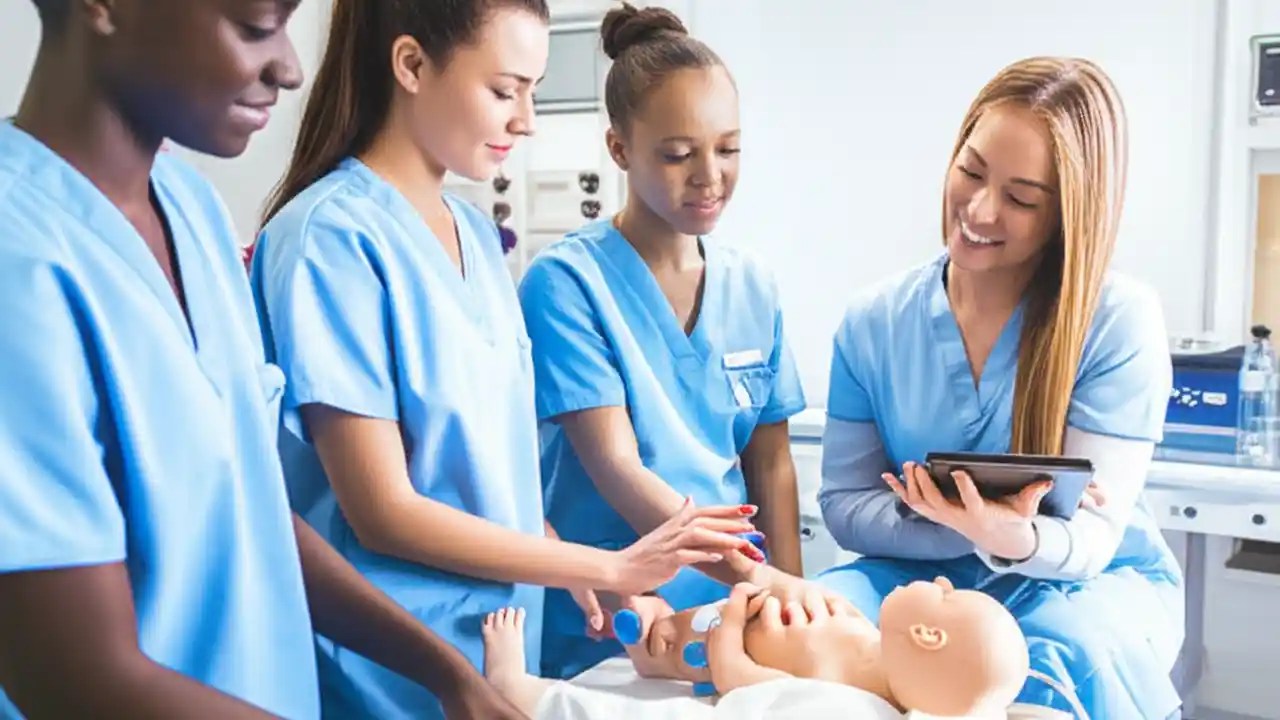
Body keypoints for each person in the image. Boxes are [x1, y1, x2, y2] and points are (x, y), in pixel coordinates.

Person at [0, 1, 527, 718]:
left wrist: (447, 676)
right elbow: (75, 677)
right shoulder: (20, 262)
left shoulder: (194, 211)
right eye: (254, 26)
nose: (290, 67)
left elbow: (258, 511)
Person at [251, 1, 761, 718]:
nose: (525, 119)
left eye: (533, 89)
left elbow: (492, 478)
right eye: (504, 89)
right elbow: (383, 512)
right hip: (387, 672)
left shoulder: (471, 232)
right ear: (411, 66)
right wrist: (606, 562)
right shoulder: (329, 238)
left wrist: (584, 572)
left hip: (499, 655)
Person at [815, 56, 1184, 719]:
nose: (980, 210)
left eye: (1020, 198)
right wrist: (959, 527)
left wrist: (1012, 537)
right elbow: (844, 504)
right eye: (971, 172)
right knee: (821, 626)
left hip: (1081, 584)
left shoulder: (1116, 320)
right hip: (917, 575)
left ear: (1068, 213)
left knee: (1055, 659)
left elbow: (1094, 538)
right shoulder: (874, 322)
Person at [517, 3, 821, 681]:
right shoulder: (566, 285)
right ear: (620, 149)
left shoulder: (753, 285)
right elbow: (619, 470)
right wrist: (758, 574)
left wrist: (790, 609)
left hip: (734, 621)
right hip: (615, 625)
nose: (709, 175)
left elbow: (770, 461)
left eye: (729, 148)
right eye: (679, 155)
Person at [474, 581, 1072, 720]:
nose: (940, 584)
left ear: (928, 636)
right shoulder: (871, 644)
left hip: (718, 644)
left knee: (645, 712)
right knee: (659, 642)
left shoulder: (838, 694)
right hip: (714, 628)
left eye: (946, 595)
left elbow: (736, 678)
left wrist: (736, 611)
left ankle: (519, 690)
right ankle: (645, 636)